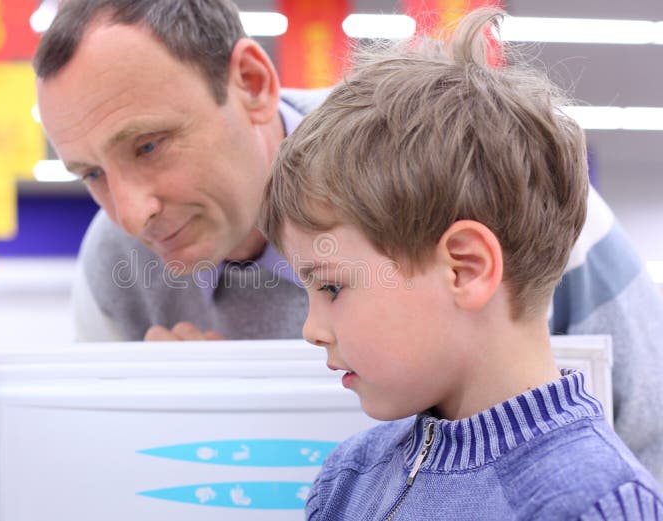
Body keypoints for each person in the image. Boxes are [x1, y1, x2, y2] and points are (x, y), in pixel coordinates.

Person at [33, 0, 663, 484]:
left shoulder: (468, 168)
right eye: (90, 173)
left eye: (149, 145)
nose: (132, 212)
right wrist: (161, 418)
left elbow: (651, 442)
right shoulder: (110, 266)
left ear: (252, 82)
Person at [259, 9, 663, 519]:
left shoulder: (594, 503)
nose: (312, 330)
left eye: (332, 288)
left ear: (465, 268)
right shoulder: (348, 481)